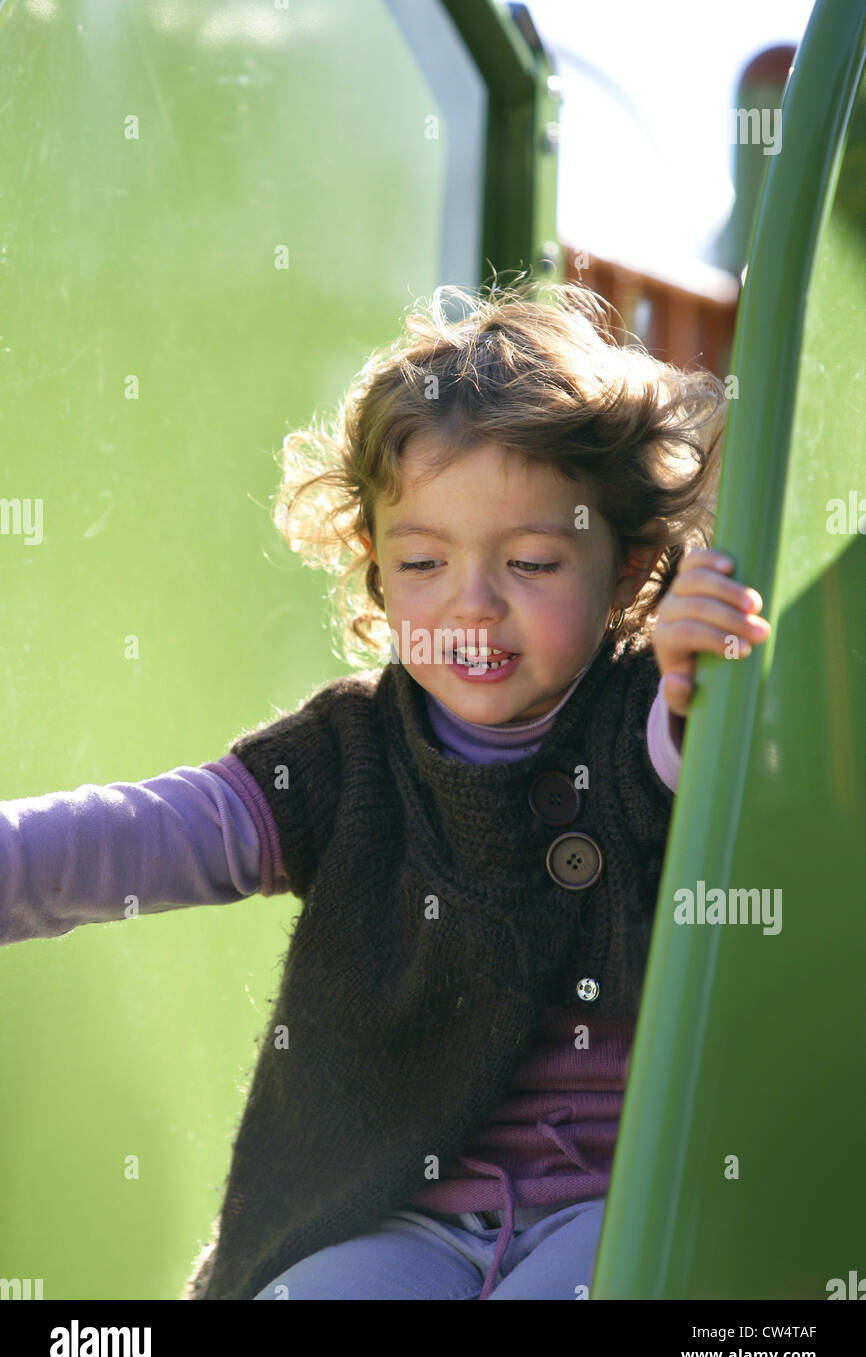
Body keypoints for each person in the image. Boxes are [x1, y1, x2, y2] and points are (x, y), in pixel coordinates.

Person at [0, 279, 770, 1300]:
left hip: (606, 1207)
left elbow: (674, 768)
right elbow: (149, 834)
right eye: (420, 560)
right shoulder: (349, 754)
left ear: (626, 574)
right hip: (403, 1215)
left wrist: (686, 684)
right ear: (373, 572)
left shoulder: (636, 717)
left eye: (532, 561)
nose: (471, 603)